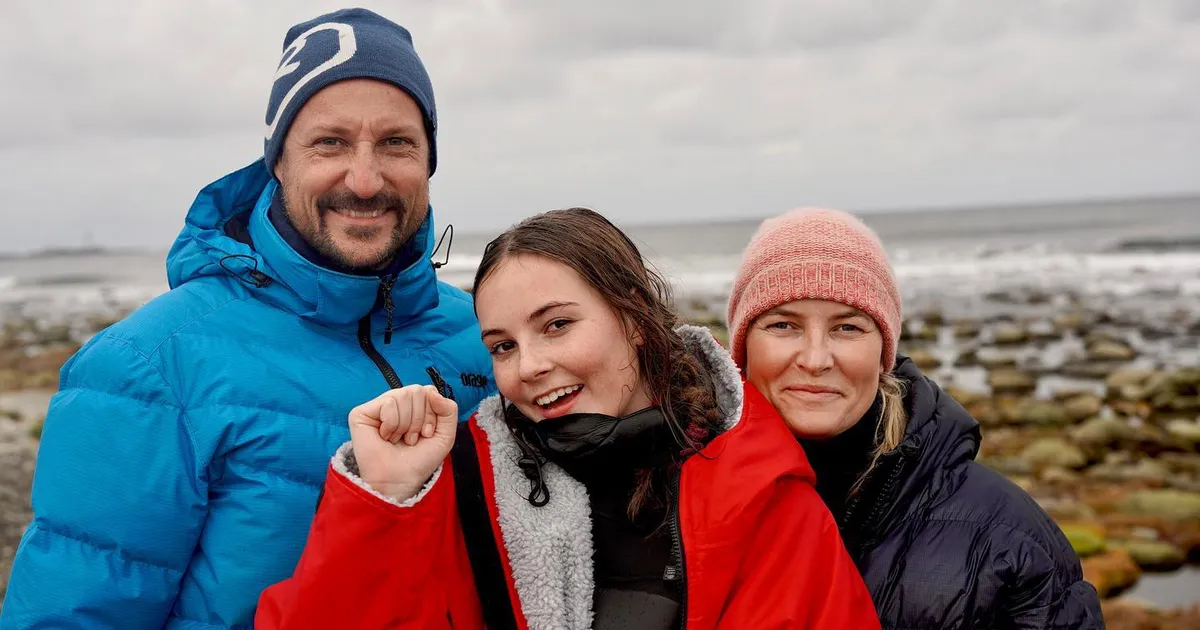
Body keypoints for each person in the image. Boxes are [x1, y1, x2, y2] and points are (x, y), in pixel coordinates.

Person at [0, 9, 495, 629]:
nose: (365, 180)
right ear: (278, 161)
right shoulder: (147, 368)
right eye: (330, 142)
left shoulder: (485, 337)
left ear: (429, 162)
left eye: (397, 142)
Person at [255, 208, 881, 630]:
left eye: (557, 326)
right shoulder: (463, 481)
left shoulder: (763, 493)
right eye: (502, 346)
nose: (528, 366)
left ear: (634, 320)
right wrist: (386, 500)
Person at [726, 207, 1106, 629]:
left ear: (883, 352)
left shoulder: (1008, 538)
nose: (815, 359)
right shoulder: (671, 503)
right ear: (742, 348)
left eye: (847, 328)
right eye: (783, 325)